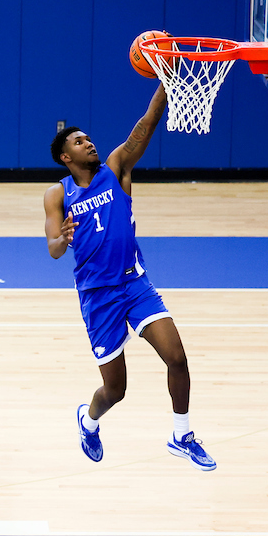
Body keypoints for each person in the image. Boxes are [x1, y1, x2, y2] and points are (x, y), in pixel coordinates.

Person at [43, 85, 216, 471]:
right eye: (79, 141)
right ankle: (88, 422)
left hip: (134, 283)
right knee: (116, 390)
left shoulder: (117, 167)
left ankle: (181, 436)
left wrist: (166, 78)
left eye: (88, 138)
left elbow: (147, 123)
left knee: (177, 356)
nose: (89, 143)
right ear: (64, 156)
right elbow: (53, 247)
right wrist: (62, 238)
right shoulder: (57, 194)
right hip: (97, 296)